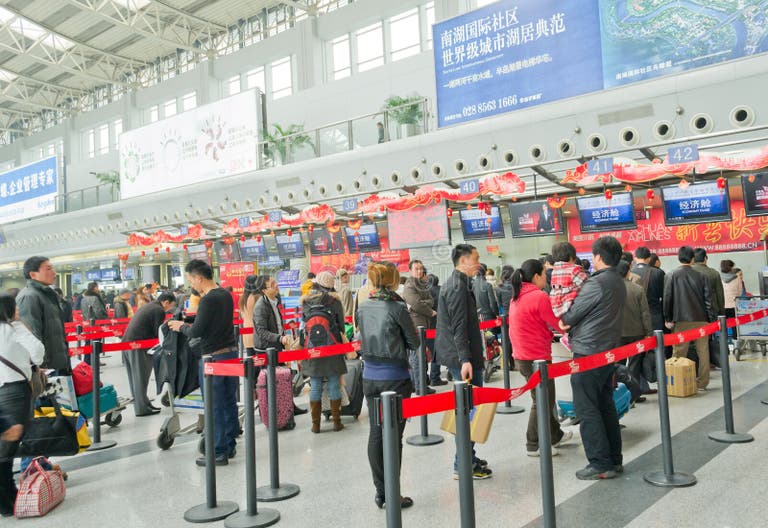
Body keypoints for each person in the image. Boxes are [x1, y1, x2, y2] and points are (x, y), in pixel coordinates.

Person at [560, 236, 626, 480]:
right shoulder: (618, 281)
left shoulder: (596, 283)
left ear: (598, 257)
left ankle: (599, 462)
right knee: (605, 404)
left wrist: (564, 320)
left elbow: (572, 314)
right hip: (607, 351)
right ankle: (614, 459)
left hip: (589, 352)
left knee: (587, 408)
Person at [357, 261, 417, 510]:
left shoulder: (363, 305)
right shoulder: (397, 306)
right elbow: (414, 342)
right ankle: (393, 493)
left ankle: (381, 491)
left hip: (370, 376)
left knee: (376, 433)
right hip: (395, 378)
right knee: (394, 437)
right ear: (393, 281)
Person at [168, 260, 238, 466]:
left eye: (191, 280)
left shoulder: (208, 300)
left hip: (213, 358)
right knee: (228, 401)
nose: (192, 285)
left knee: (214, 405)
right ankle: (229, 444)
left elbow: (197, 331)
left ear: (199, 278)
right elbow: (210, 324)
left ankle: (217, 451)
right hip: (230, 354)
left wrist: (181, 326)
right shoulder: (225, 294)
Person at [436, 244, 492, 480]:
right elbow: (459, 327)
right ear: (464, 260)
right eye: (476, 258)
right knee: (468, 412)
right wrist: (465, 360)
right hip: (463, 358)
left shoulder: (457, 283)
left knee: (468, 410)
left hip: (459, 355)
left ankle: (467, 456)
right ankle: (463, 464)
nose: (479, 262)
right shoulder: (457, 287)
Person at [507, 259, 572, 457]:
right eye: (544, 273)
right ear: (536, 276)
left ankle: (555, 436)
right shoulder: (538, 296)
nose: (547, 277)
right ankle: (533, 443)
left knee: (543, 398)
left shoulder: (517, 296)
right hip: (536, 358)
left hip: (522, 355)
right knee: (542, 400)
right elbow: (557, 323)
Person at [0, 293, 45, 517]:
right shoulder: (12, 330)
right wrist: (19, 326)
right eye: (14, 308)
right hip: (13, 392)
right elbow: (38, 354)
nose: (18, 311)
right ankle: (7, 501)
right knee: (6, 448)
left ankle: (8, 496)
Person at [252, 275, 306, 415]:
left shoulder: (276, 300)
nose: (276, 285)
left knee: (285, 377)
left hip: (277, 345)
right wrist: (280, 338)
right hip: (266, 349)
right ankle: (274, 411)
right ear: (264, 290)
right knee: (271, 382)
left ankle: (289, 407)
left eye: (275, 282)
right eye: (272, 284)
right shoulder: (260, 306)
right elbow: (262, 332)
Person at [301, 271, 347, 433]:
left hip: (312, 349)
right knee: (334, 384)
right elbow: (341, 326)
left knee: (315, 386)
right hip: (332, 347)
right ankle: (336, 422)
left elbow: (303, 327)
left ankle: (316, 425)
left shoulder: (306, 301)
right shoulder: (334, 301)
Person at [664, 246, 714, 390]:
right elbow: (708, 300)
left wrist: (668, 318)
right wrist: (711, 319)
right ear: (693, 259)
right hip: (701, 319)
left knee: (679, 352)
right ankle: (702, 383)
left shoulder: (671, 275)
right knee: (703, 351)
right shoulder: (702, 276)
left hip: (681, 320)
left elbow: (668, 299)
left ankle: (678, 381)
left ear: (679, 258)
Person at [122, 292, 176, 417]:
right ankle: (142, 409)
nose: (169, 308)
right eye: (170, 305)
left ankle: (143, 403)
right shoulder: (158, 310)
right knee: (141, 377)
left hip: (128, 343)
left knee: (135, 378)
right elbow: (158, 331)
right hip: (138, 345)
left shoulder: (151, 305)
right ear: (166, 302)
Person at [16, 257, 69, 374]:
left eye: (53, 268)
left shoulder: (47, 294)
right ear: (33, 274)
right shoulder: (29, 297)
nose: (54, 272)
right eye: (48, 269)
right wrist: (38, 366)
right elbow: (32, 335)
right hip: (46, 367)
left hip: (58, 362)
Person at [616, 260, 652, 396]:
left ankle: (620, 394)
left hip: (617, 334)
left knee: (618, 365)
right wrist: (648, 333)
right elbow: (645, 313)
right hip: (636, 333)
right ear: (628, 272)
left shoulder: (610, 290)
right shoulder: (638, 289)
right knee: (634, 365)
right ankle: (634, 395)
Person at [402, 260, 437, 395]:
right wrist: (429, 310)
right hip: (416, 326)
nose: (420, 271)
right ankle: (418, 386)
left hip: (424, 324)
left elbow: (431, 300)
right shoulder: (409, 285)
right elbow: (415, 303)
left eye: (421, 268)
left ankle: (422, 384)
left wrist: (425, 303)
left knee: (422, 356)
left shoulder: (423, 284)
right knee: (417, 357)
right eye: (416, 269)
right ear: (410, 270)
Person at [549, 241, 589, 318]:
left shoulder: (554, 271)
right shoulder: (574, 269)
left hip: (557, 307)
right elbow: (587, 285)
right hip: (571, 305)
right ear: (571, 257)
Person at [425, 273, 445, 386]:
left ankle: (425, 378)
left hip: (426, 326)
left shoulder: (424, 292)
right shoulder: (441, 290)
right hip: (439, 324)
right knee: (437, 352)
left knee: (427, 352)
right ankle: (435, 377)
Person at [693, 248, 725, 319]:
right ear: (705, 258)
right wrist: (722, 312)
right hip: (712, 311)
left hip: (692, 311)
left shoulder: (686, 273)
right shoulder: (714, 273)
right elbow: (720, 294)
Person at [239, 275, 261, 357]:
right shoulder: (258, 297)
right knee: (262, 365)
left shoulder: (243, 298)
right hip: (258, 334)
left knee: (252, 363)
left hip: (247, 335)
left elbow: (242, 315)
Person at [721, 260, 741, 342]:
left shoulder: (719, 279)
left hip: (722, 306)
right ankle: (736, 344)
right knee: (735, 326)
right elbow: (739, 293)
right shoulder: (737, 279)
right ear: (731, 267)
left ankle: (724, 346)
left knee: (722, 327)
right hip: (734, 306)